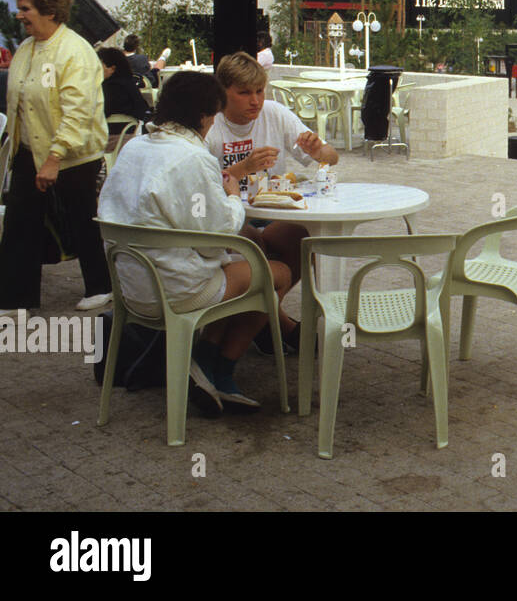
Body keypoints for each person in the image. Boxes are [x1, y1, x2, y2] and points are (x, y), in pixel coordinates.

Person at [99, 71, 293, 414]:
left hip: (131, 286)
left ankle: (206, 363)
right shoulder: (193, 157)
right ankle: (217, 366)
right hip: (175, 290)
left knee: (239, 269)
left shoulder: (134, 148)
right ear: (204, 115)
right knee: (276, 273)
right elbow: (216, 237)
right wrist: (232, 195)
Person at [205, 51, 339, 353]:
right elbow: (200, 187)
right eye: (244, 93)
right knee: (250, 240)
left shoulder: (274, 113)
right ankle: (279, 327)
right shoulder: (211, 124)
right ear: (223, 92)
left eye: (260, 91)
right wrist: (242, 169)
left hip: (271, 212)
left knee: (305, 236)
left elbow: (332, 158)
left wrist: (319, 152)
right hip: (228, 218)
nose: (255, 100)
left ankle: (261, 321)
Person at [0, 0, 113, 314]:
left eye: (25, 9)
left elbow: (77, 111)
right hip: (29, 150)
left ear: (49, 11)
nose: (19, 15)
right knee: (19, 221)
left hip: (74, 154)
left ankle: (101, 286)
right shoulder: (26, 49)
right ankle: (15, 298)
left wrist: (54, 157)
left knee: (81, 220)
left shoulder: (75, 51)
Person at [98, 47, 152, 133]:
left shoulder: (107, 88)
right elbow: (142, 110)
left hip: (106, 136)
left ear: (112, 68)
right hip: (130, 136)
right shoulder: (130, 84)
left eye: (99, 66)